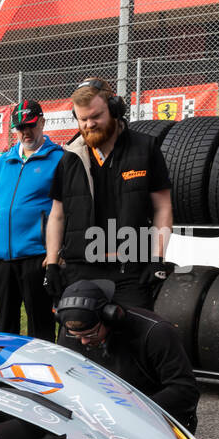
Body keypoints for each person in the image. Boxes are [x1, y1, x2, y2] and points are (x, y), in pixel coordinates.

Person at [44, 77, 174, 309]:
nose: (89, 124)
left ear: (114, 109)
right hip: (79, 270)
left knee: (132, 339)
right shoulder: (69, 158)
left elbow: (162, 208)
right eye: (82, 119)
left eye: (96, 116)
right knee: (76, 340)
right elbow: (57, 215)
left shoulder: (146, 149)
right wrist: (52, 264)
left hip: (131, 270)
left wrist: (157, 259)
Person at [56, 280, 198, 432]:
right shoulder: (71, 333)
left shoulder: (156, 332)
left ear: (110, 317)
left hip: (156, 416)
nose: (83, 341)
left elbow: (185, 390)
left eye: (90, 334)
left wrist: (129, 412)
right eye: (77, 336)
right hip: (102, 416)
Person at [0, 99, 62, 341]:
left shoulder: (59, 159)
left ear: (43, 122)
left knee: (41, 327)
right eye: (20, 128)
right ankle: (7, 373)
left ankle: (43, 374)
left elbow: (68, 210)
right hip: (3, 260)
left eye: (31, 126)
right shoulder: (4, 161)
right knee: (4, 327)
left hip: (38, 257)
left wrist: (57, 251)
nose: (26, 132)